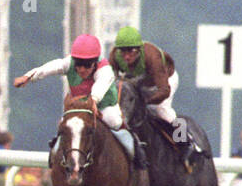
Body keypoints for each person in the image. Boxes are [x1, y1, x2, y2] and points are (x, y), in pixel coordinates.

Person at [13, 33, 145, 169]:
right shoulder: (68, 63)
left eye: (87, 65)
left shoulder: (105, 69)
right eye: (79, 64)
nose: (82, 69)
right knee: (65, 127)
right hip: (79, 107)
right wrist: (28, 76)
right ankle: (55, 158)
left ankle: (137, 157)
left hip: (104, 106)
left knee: (115, 122)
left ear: (95, 62)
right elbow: (50, 68)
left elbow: (100, 86)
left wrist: (93, 100)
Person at [109, 26, 197, 165]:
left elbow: (164, 91)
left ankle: (186, 141)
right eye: (123, 51)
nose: (126, 56)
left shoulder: (152, 57)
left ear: (138, 49)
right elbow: (110, 83)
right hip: (138, 81)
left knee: (161, 111)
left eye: (131, 51)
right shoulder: (114, 56)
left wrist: (146, 101)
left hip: (164, 80)